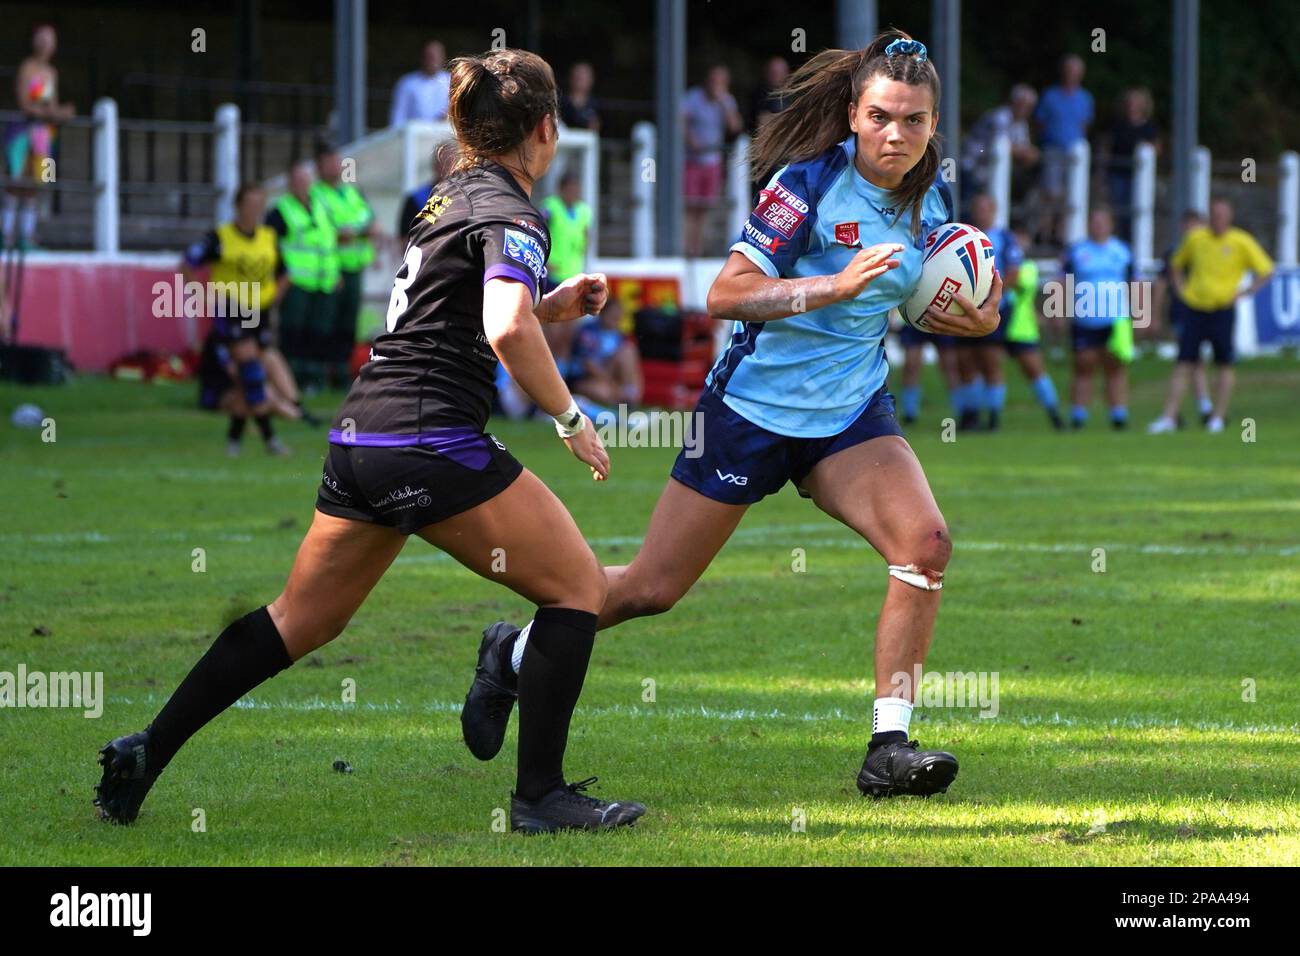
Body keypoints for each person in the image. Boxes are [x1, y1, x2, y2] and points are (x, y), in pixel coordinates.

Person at [94, 48, 645, 835]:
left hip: (364, 436)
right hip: (431, 440)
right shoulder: (515, 209)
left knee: (298, 621)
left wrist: (553, 305)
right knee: (578, 591)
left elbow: (459, 308)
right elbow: (500, 324)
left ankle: (149, 746)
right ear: (548, 128)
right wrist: (570, 417)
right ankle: (540, 796)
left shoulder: (445, 196)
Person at [459, 30, 1004, 800]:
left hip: (849, 416)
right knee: (651, 588)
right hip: (749, 412)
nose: (896, 135)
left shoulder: (930, 197)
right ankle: (510, 656)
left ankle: (889, 744)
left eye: (914, 121)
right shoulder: (805, 187)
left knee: (926, 543)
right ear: (853, 113)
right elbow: (723, 294)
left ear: (932, 125)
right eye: (882, 116)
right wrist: (833, 287)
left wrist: (975, 312)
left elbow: (957, 303)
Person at [182, 182, 318, 455]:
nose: (254, 210)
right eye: (249, 204)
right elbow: (187, 264)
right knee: (252, 373)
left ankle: (235, 441)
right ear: (238, 206)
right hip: (232, 311)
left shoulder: (268, 237)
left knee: (250, 378)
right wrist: (203, 296)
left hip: (260, 313)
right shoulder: (221, 237)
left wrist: (271, 298)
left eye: (259, 204)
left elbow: (285, 273)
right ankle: (271, 440)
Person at [1148, 198, 1274, 434]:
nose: (1218, 220)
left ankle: (1217, 416)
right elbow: (1175, 265)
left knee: (1224, 363)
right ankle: (1169, 416)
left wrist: (1245, 292)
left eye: (1222, 215)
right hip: (1195, 308)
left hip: (1222, 309)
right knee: (1184, 362)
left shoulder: (1240, 241)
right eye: (1214, 215)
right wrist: (1182, 290)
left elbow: (1266, 270)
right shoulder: (1196, 239)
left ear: (1229, 217)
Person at [952, 194, 1027, 431]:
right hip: (965, 308)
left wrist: (994, 300)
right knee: (964, 361)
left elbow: (1014, 272)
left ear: (994, 211)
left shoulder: (1004, 238)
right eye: (978, 208)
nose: (982, 213)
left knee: (990, 361)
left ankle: (993, 417)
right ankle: (969, 414)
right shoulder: (963, 235)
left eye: (986, 208)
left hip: (994, 308)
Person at [312, 142, 380, 388]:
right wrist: (360, 232)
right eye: (329, 161)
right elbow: (335, 233)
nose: (336, 166)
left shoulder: (351, 191)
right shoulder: (316, 194)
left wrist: (359, 232)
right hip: (332, 268)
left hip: (355, 267)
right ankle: (319, 376)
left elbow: (372, 224)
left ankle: (341, 375)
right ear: (319, 166)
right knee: (326, 323)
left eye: (337, 160)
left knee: (348, 324)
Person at [267, 161, 338, 392]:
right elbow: (270, 247)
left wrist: (335, 272)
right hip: (296, 283)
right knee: (293, 332)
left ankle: (314, 380)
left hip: (323, 281)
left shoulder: (321, 206)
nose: (301, 185)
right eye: (297, 181)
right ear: (289, 184)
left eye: (305, 180)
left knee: (319, 333)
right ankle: (292, 379)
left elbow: (329, 242)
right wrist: (280, 277)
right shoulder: (280, 210)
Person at [3, 24, 74, 252]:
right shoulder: (27, 68)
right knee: (16, 183)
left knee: (36, 186)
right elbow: (26, 104)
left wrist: (59, 112)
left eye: (49, 39)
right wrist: (53, 113)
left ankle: (27, 238)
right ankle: (6, 236)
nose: (45, 43)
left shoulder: (51, 73)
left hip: (43, 135)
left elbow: (50, 105)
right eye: (41, 38)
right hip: (24, 133)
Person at [1061, 207, 1133, 429]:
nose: (1099, 226)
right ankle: (1078, 415)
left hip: (1116, 319)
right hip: (1085, 318)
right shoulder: (1077, 251)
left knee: (1115, 367)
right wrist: (1057, 311)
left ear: (1110, 225)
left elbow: (1135, 282)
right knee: (1083, 366)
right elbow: (1062, 282)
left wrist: (1142, 315)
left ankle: (1118, 414)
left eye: (1103, 222)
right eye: (1095, 222)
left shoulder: (1121, 251)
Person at [1151, 210, 1211, 426]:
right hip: (1183, 314)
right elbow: (1161, 284)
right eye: (1188, 226)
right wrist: (1154, 314)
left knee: (1193, 360)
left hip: (1207, 311)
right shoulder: (1174, 253)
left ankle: (1191, 410)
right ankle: (1200, 408)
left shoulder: (1209, 251)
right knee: (1190, 360)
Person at [1002, 225, 1064, 428]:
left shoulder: (1028, 268)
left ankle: (1055, 415)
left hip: (1020, 328)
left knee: (1035, 372)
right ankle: (988, 419)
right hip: (996, 325)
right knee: (988, 370)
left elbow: (1017, 283)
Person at [683, 64, 743, 258]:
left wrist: (724, 104)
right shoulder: (693, 97)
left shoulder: (727, 101)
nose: (715, 85)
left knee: (706, 207)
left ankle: (698, 248)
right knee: (690, 205)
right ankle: (686, 247)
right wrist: (691, 139)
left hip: (712, 161)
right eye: (713, 80)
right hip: (692, 159)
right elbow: (680, 120)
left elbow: (735, 127)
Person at [1034, 55, 1093, 246]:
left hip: (1076, 156)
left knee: (1071, 195)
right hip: (1053, 150)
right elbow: (1040, 123)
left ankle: (1062, 235)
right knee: (1051, 193)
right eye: (1069, 71)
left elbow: (1084, 125)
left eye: (1075, 72)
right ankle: (1045, 234)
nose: (1071, 75)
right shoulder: (1050, 96)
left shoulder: (1085, 98)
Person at [961, 84, 1039, 205]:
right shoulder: (1000, 116)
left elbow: (1024, 149)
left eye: (1029, 107)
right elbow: (1000, 145)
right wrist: (1025, 153)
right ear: (1014, 102)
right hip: (972, 167)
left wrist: (1031, 153)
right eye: (1023, 105)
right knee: (969, 207)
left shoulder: (1021, 123)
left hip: (990, 171)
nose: (1026, 110)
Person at [1103, 87, 1158, 240]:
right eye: (1129, 102)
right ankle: (1122, 239)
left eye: (1135, 102)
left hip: (1138, 177)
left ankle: (1136, 240)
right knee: (1120, 210)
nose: (1131, 105)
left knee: (1138, 209)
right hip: (1118, 174)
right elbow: (1107, 147)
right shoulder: (1117, 124)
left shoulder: (1149, 127)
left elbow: (1156, 148)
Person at [568, 297, 642, 408]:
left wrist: (637, 389)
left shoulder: (619, 336)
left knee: (629, 350)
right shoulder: (588, 332)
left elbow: (633, 366)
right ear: (603, 313)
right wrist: (614, 385)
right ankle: (621, 398)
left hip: (609, 375)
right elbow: (588, 365)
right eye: (612, 314)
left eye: (618, 315)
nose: (615, 318)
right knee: (602, 392)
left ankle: (629, 394)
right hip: (586, 377)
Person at [389, 40, 451, 126]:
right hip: (415, 137)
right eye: (429, 56)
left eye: (436, 56)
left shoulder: (452, 81)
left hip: (444, 136)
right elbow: (398, 118)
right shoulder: (407, 83)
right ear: (423, 57)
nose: (433, 60)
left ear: (443, 57)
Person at [559, 62, 601, 133]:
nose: (579, 80)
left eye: (583, 77)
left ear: (591, 80)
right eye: (577, 76)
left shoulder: (597, 105)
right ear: (571, 78)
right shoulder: (560, 101)